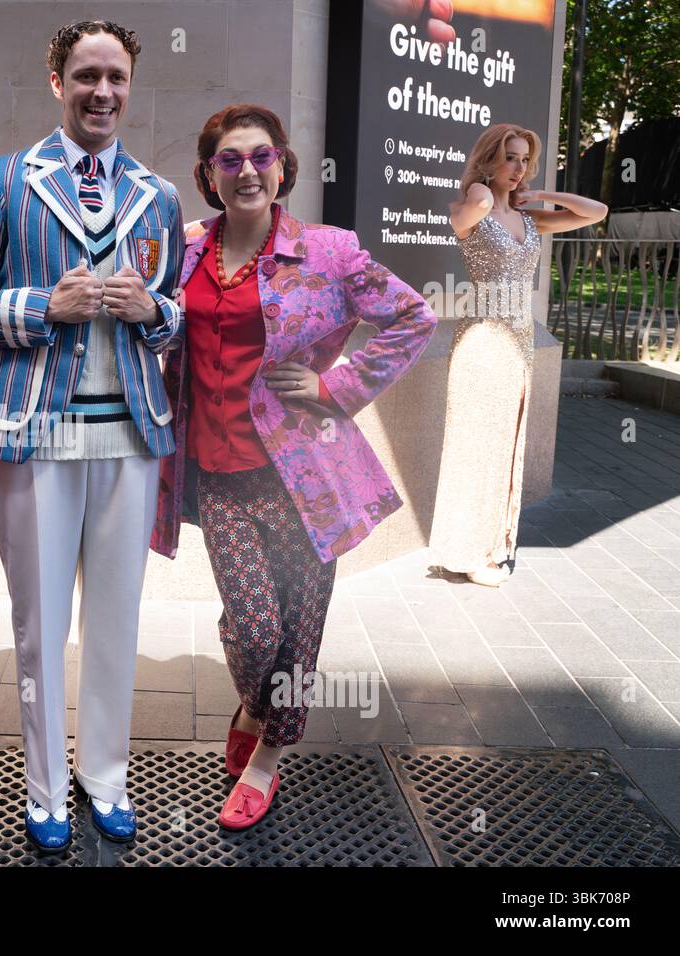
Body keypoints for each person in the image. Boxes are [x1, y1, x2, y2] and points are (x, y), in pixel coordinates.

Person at [150, 104, 437, 830]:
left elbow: (414, 316)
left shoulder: (331, 251)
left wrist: (336, 387)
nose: (247, 170)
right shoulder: (182, 250)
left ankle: (267, 761)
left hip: (307, 479)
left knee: (296, 634)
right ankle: (253, 701)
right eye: (229, 159)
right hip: (216, 473)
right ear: (209, 175)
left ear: (282, 166)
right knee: (252, 631)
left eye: (261, 156)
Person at [0, 19, 183, 853]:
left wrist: (156, 312)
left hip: (130, 437)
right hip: (35, 433)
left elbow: (174, 312)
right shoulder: (7, 182)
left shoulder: (157, 194)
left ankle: (104, 775)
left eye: (115, 77)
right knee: (37, 625)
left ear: (131, 84)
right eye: (86, 76)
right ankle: (43, 786)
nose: (103, 92)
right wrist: (44, 307)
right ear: (57, 81)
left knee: (116, 621)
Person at [428, 124, 607, 586]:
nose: (519, 167)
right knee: (474, 442)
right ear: (490, 158)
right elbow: (479, 205)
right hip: (482, 336)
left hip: (519, 338)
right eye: (510, 157)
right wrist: (480, 185)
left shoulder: (531, 220)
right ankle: (463, 550)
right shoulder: (470, 209)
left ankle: (488, 546)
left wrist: (538, 192)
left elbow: (596, 212)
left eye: (525, 159)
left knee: (505, 443)